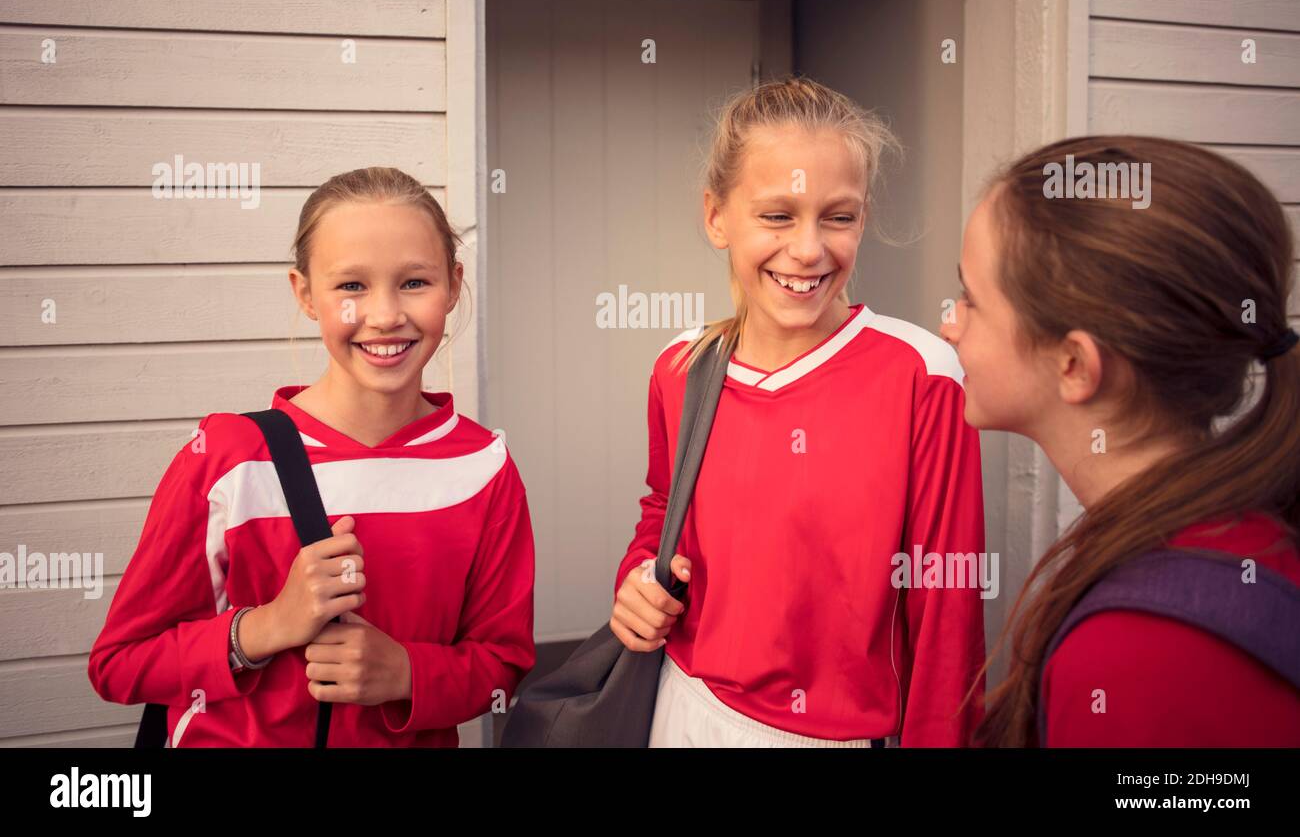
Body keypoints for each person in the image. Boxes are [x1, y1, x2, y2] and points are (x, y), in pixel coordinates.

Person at [89, 167, 535, 746]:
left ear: (452, 285)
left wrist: (405, 672)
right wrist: (266, 627)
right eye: (351, 286)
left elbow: (503, 666)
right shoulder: (226, 457)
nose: (383, 316)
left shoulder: (484, 467)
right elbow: (120, 663)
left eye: (414, 282)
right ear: (305, 294)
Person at [611, 77, 986, 747]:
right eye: (777, 215)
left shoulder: (924, 376)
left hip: (837, 735)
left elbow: (946, 614)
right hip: (682, 707)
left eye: (837, 217)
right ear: (717, 215)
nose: (809, 249)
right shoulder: (682, 367)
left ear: (864, 216)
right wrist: (638, 580)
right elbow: (661, 511)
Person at [942, 135, 1300, 746]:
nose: (949, 323)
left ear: (1075, 365)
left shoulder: (1141, 653)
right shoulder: (1233, 538)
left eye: (972, 300)